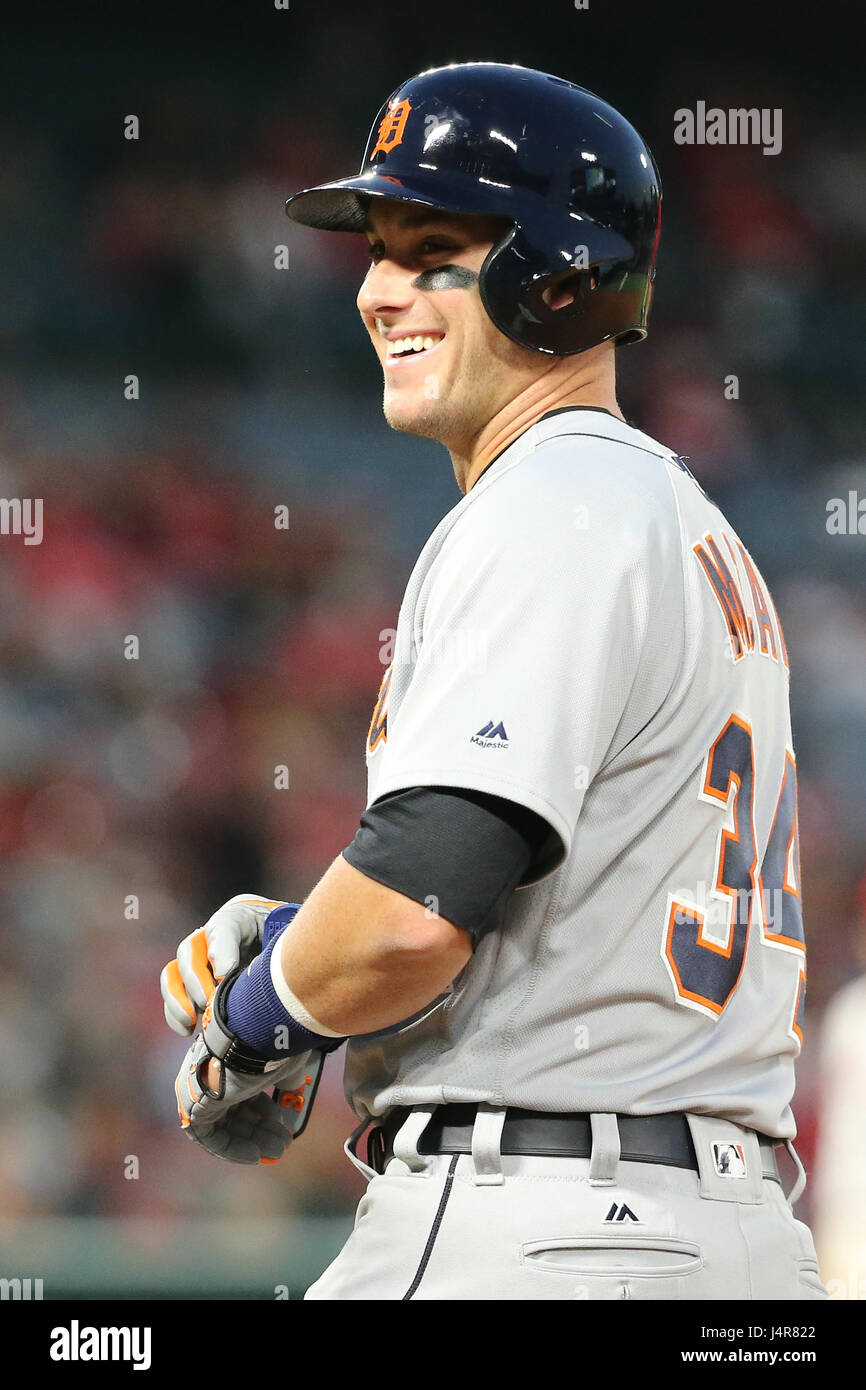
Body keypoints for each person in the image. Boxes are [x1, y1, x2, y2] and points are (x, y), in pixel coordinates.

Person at [160, 62, 825, 1301]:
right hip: (719, 1239)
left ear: (557, 274)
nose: (376, 291)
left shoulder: (555, 501)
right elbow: (529, 899)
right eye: (377, 252)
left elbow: (419, 904)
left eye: (430, 252)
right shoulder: (681, 524)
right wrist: (312, 946)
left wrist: (261, 1020)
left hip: (542, 1230)